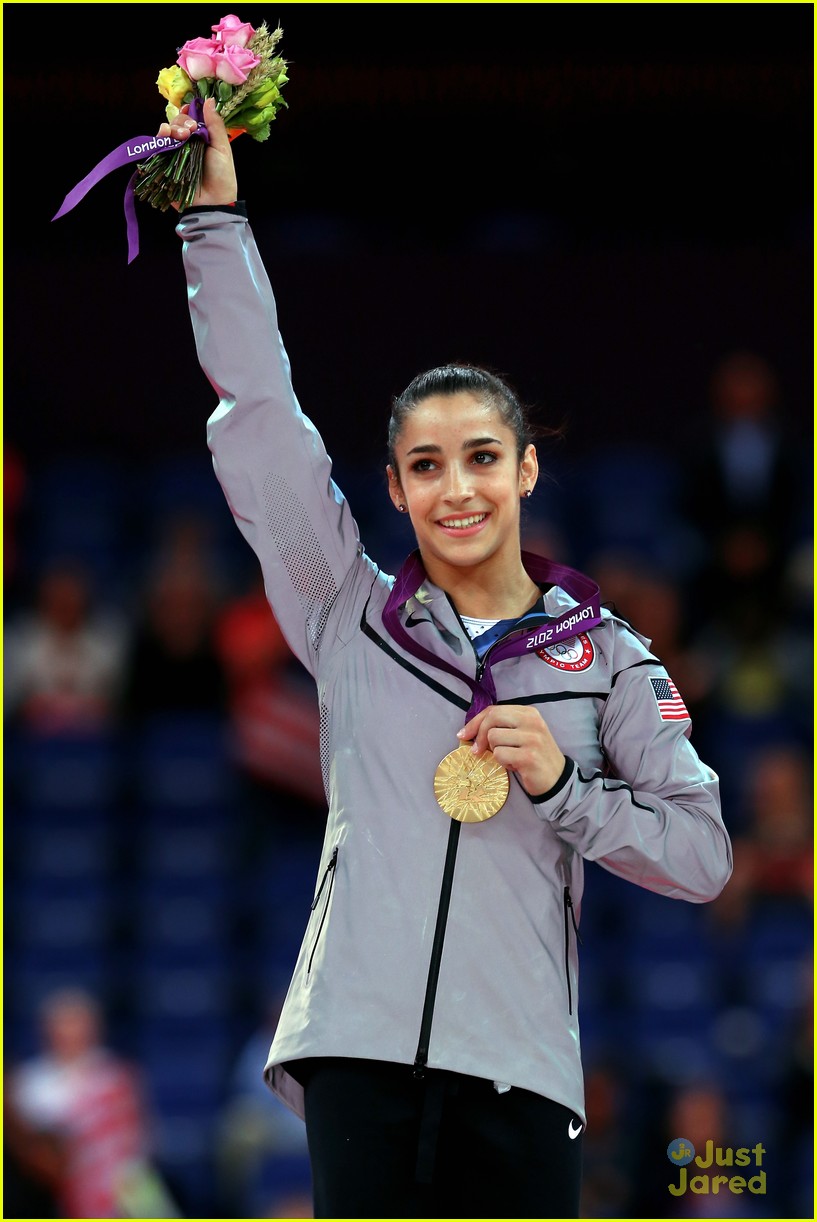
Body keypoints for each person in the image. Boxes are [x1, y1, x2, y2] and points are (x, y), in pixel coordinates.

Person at [160, 98, 733, 1220]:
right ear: (393, 487)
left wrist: (566, 789)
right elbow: (260, 416)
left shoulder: (608, 658)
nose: (455, 488)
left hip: (519, 1068)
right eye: (425, 466)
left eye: (480, 458)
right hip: (355, 1054)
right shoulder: (345, 612)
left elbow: (703, 855)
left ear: (525, 471)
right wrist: (214, 225)